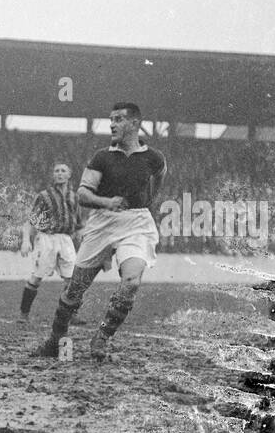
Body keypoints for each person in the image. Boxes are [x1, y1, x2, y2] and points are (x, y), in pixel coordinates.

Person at [33, 102, 167, 361]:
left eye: (118, 119)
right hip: (103, 222)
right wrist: (108, 202)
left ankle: (101, 339)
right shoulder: (102, 157)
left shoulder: (155, 158)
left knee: (131, 282)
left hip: (136, 223)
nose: (112, 124)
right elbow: (83, 194)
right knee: (74, 290)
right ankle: (55, 341)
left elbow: (157, 183)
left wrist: (142, 204)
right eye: (111, 119)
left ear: (135, 124)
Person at [19, 162, 79, 321]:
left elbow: (78, 224)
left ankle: (70, 315)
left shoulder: (74, 197)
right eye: (56, 171)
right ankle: (24, 314)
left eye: (63, 171)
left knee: (71, 279)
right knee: (37, 277)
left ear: (69, 174)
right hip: (47, 239)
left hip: (65, 239)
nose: (59, 173)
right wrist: (26, 241)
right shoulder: (44, 196)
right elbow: (31, 221)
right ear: (53, 175)